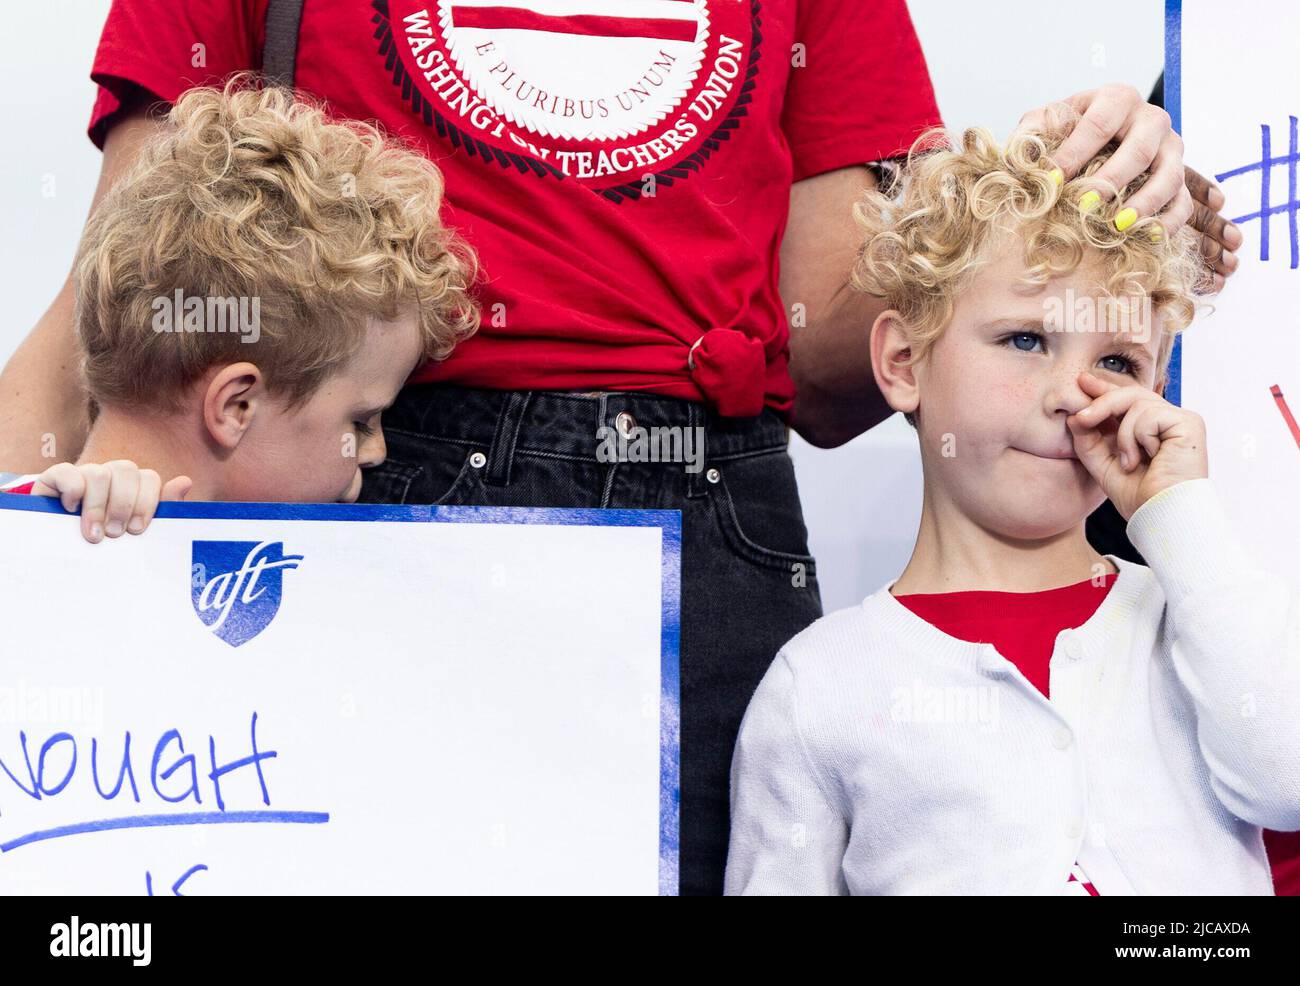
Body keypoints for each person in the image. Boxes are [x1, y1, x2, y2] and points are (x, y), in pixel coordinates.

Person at [0, 0, 1226, 894]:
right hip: (368, 508)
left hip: (706, 531)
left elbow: (850, 360)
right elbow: (129, 308)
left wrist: (1072, 213)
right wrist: (38, 594)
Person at [725, 121, 1300, 894]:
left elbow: (1287, 779)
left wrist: (1179, 512)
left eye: (1117, 362)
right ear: (903, 361)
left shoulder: (1197, 625)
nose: (1071, 394)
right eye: (1027, 340)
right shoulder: (817, 688)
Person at [2, 79, 477, 531]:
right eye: (361, 421)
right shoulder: (31, 528)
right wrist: (50, 528)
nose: (376, 451)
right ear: (236, 405)